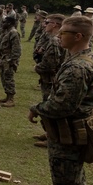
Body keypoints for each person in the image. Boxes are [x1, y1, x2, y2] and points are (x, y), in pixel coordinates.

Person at [28, 16, 93, 185]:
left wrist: (36, 108)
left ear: (78, 36)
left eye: (64, 33)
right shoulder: (88, 60)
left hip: (70, 132)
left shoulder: (78, 66)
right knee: (71, 177)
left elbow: (62, 105)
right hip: (74, 128)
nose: (59, 35)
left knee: (67, 180)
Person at [32, 14, 66, 147]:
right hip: (51, 78)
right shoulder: (55, 39)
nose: (44, 24)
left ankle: (53, 137)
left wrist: (37, 67)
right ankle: (49, 133)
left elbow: (50, 65)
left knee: (50, 108)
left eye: (47, 22)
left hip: (51, 80)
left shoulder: (54, 41)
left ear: (55, 25)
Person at [0, 15, 21, 107]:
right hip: (4, 58)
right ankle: (7, 96)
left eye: (4, 22)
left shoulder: (13, 33)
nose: (2, 24)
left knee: (9, 78)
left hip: (9, 59)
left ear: (9, 23)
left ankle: (11, 99)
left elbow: (16, 49)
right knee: (4, 78)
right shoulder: (6, 32)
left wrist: (12, 61)